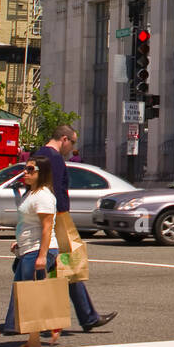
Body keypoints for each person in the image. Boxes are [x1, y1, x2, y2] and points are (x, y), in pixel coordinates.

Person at [39, 125, 117, 332]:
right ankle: (43, 320)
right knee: (64, 268)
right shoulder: (54, 158)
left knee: (65, 269)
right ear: (64, 139)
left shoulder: (38, 153)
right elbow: (53, 190)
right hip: (57, 218)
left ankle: (87, 316)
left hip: (50, 217)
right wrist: (59, 216)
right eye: (72, 143)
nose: (72, 149)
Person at [0, 153, 63, 347]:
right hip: (29, 248)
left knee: (30, 294)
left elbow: (46, 227)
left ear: (41, 173)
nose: (25, 173)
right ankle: (50, 326)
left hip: (38, 249)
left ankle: (34, 341)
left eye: (30, 170)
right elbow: (28, 223)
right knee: (28, 293)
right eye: (25, 168)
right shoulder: (32, 193)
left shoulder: (43, 195)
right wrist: (19, 243)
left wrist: (43, 256)